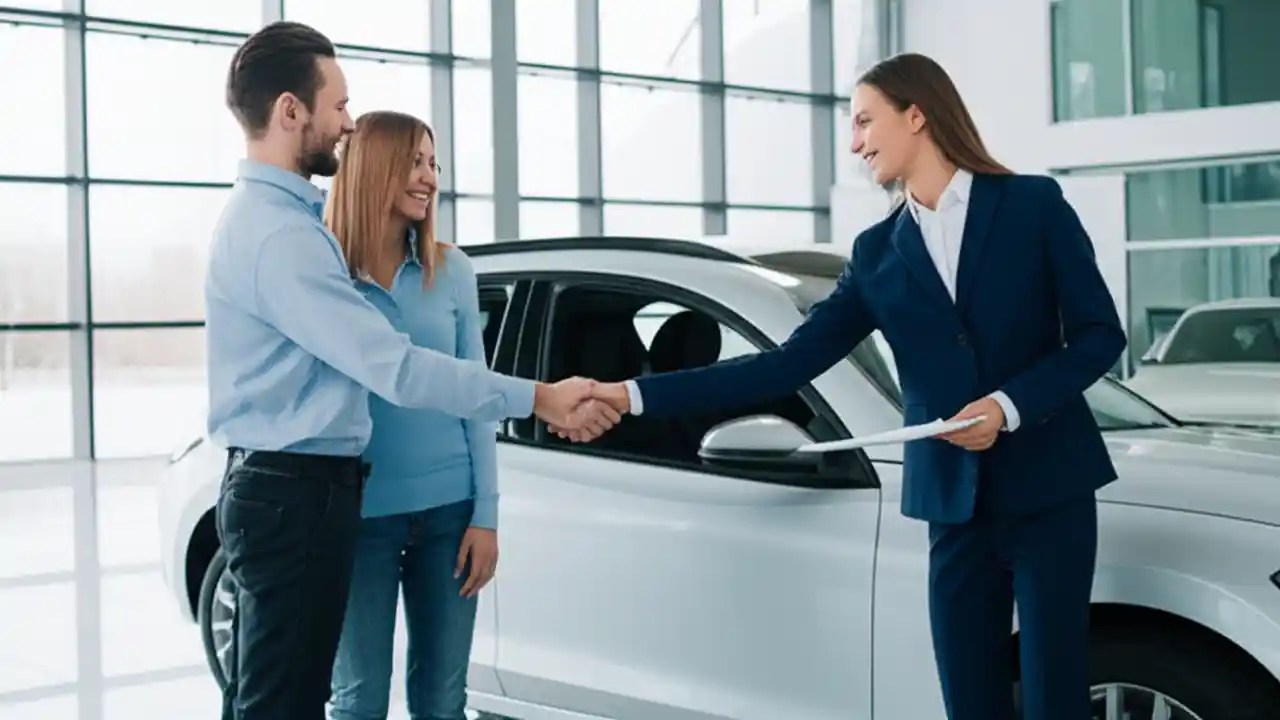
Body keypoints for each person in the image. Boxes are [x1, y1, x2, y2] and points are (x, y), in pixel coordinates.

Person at [568, 52, 1126, 720]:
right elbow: (785, 366)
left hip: (1050, 494)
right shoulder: (876, 252)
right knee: (971, 703)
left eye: (865, 120)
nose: (855, 142)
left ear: (917, 114)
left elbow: (1099, 335)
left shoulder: (1033, 205)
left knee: (1054, 701)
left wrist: (1008, 407)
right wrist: (632, 395)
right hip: (952, 507)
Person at [206, 22, 616, 720]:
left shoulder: (291, 229)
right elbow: (394, 368)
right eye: (338, 107)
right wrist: (540, 397)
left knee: (284, 696)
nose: (347, 125)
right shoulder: (287, 238)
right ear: (289, 111)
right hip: (298, 491)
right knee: (293, 700)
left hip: (310, 491)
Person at [319, 110, 496, 720]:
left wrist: (487, 516)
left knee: (443, 702)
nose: (429, 178)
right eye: (415, 162)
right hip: (358, 520)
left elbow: (476, 395)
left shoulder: (454, 272)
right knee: (359, 699)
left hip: (450, 516)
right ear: (375, 167)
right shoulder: (327, 275)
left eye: (433, 163)